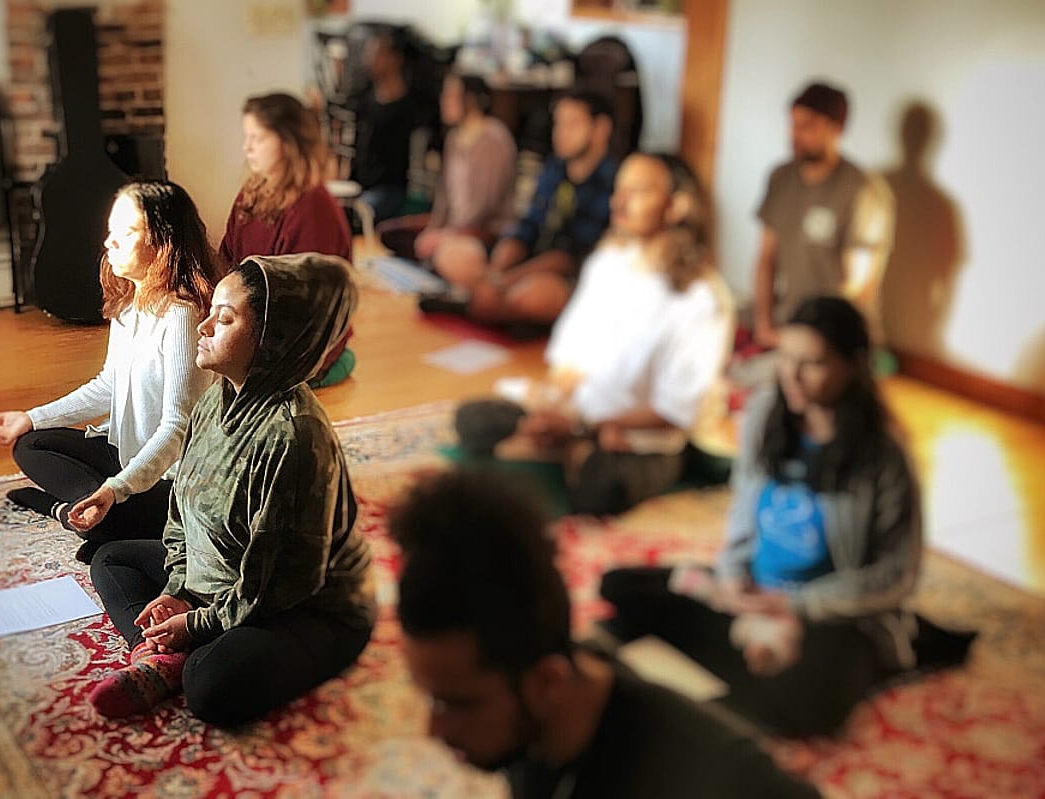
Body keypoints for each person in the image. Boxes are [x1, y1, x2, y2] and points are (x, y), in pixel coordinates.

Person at [600, 296, 973, 738]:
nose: (791, 376)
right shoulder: (764, 414)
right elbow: (744, 510)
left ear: (854, 366)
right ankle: (747, 657)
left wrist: (791, 604)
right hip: (754, 593)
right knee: (619, 586)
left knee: (811, 710)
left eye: (811, 363)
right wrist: (733, 574)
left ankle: (748, 658)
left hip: (828, 615)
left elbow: (896, 575)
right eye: (785, 358)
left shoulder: (885, 459)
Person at [390, 469, 821, 798]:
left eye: (456, 705)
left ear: (548, 681)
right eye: (431, 697)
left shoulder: (702, 774)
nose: (433, 728)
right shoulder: (538, 720)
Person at [85, 253, 374, 725]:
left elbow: (277, 586)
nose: (203, 327)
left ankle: (180, 661)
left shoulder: (295, 436)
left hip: (307, 608)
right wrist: (177, 589)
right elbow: (179, 514)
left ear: (273, 341)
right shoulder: (214, 398)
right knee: (111, 560)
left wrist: (195, 624)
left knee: (211, 688)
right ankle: (160, 656)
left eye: (225, 318)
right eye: (209, 313)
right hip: (220, 584)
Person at [454, 153, 734, 514]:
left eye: (638, 191)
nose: (619, 201)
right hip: (579, 414)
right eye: (619, 190)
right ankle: (567, 450)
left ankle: (575, 453)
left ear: (677, 205)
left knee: (601, 487)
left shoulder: (701, 297)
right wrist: (551, 408)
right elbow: (567, 358)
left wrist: (583, 426)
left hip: (640, 435)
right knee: (473, 420)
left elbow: (674, 410)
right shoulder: (608, 262)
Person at [0, 181, 221, 559]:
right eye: (110, 232)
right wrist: (28, 417)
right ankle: (90, 515)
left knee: (108, 519)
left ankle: (80, 513)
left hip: (169, 481)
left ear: (163, 240)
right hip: (124, 456)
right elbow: (107, 385)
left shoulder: (183, 316)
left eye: (126, 233)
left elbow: (177, 426)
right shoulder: (130, 301)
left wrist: (115, 489)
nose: (110, 243)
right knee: (30, 443)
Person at [422, 90, 617, 331]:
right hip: (526, 263)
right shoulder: (554, 168)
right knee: (450, 254)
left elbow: (569, 256)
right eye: (558, 124)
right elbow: (526, 227)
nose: (561, 133)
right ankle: (490, 306)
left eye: (572, 124)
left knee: (536, 296)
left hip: (565, 277)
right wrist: (494, 274)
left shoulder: (612, 182)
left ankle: (474, 304)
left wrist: (503, 282)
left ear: (601, 128)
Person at [220, 91, 356, 387]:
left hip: (297, 343)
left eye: (257, 138)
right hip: (254, 324)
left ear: (287, 142)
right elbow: (229, 260)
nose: (247, 148)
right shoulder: (252, 192)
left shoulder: (313, 207)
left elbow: (305, 311)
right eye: (247, 137)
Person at [751, 82, 893, 348]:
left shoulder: (863, 191)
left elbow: (858, 286)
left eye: (808, 126)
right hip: (790, 317)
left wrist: (804, 336)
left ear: (836, 129)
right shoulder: (781, 177)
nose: (796, 134)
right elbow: (765, 260)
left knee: (749, 381)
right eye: (793, 124)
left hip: (837, 332)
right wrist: (764, 324)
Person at [376, 73, 517, 263]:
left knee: (442, 251)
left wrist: (449, 235)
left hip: (483, 231)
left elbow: (486, 205)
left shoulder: (493, 137)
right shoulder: (453, 138)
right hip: (452, 226)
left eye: (451, 95)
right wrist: (433, 229)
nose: (444, 101)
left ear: (471, 99)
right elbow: (443, 197)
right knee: (389, 233)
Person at [348, 28, 417, 225]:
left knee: (357, 217)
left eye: (376, 53)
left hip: (388, 190)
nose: (368, 59)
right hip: (359, 185)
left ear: (395, 59)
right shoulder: (363, 99)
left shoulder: (406, 107)